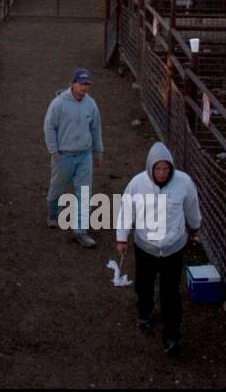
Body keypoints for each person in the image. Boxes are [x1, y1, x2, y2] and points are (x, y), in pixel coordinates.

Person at [115, 142, 202, 355]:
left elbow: (191, 206)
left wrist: (195, 225)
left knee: (170, 292)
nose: (162, 173)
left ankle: (172, 336)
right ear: (150, 168)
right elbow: (127, 210)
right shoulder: (137, 184)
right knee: (144, 284)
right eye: (158, 169)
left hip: (173, 247)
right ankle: (144, 311)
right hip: (146, 246)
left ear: (171, 168)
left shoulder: (184, 183)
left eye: (165, 169)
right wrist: (122, 237)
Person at [43, 68, 104, 248]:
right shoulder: (58, 104)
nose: (84, 88)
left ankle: (80, 231)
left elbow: (95, 129)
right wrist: (54, 151)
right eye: (81, 84)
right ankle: (53, 213)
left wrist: (97, 152)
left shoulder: (91, 105)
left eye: (86, 84)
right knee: (57, 188)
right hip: (64, 156)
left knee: (84, 193)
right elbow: (49, 127)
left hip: (84, 155)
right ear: (73, 83)